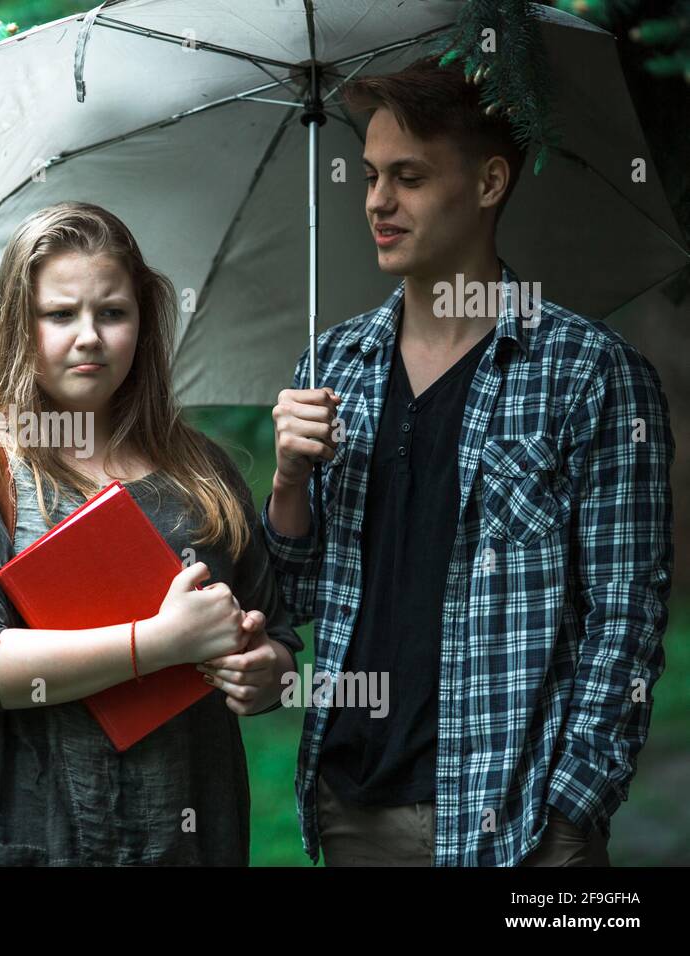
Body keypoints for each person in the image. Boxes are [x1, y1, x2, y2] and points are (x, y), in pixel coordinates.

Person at [264, 55, 674, 866]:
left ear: (489, 184)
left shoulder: (589, 372)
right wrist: (286, 481)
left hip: (517, 816)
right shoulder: (332, 367)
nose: (378, 201)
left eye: (409, 177)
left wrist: (571, 812)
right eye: (372, 175)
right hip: (351, 808)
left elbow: (627, 614)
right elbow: (293, 593)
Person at [0, 201, 302, 865]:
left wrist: (264, 675)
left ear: (142, 323)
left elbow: (277, 638)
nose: (89, 335)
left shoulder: (202, 469)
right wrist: (157, 643)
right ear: (19, 327)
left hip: (191, 836)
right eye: (61, 314)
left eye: (112, 313)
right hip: (31, 835)